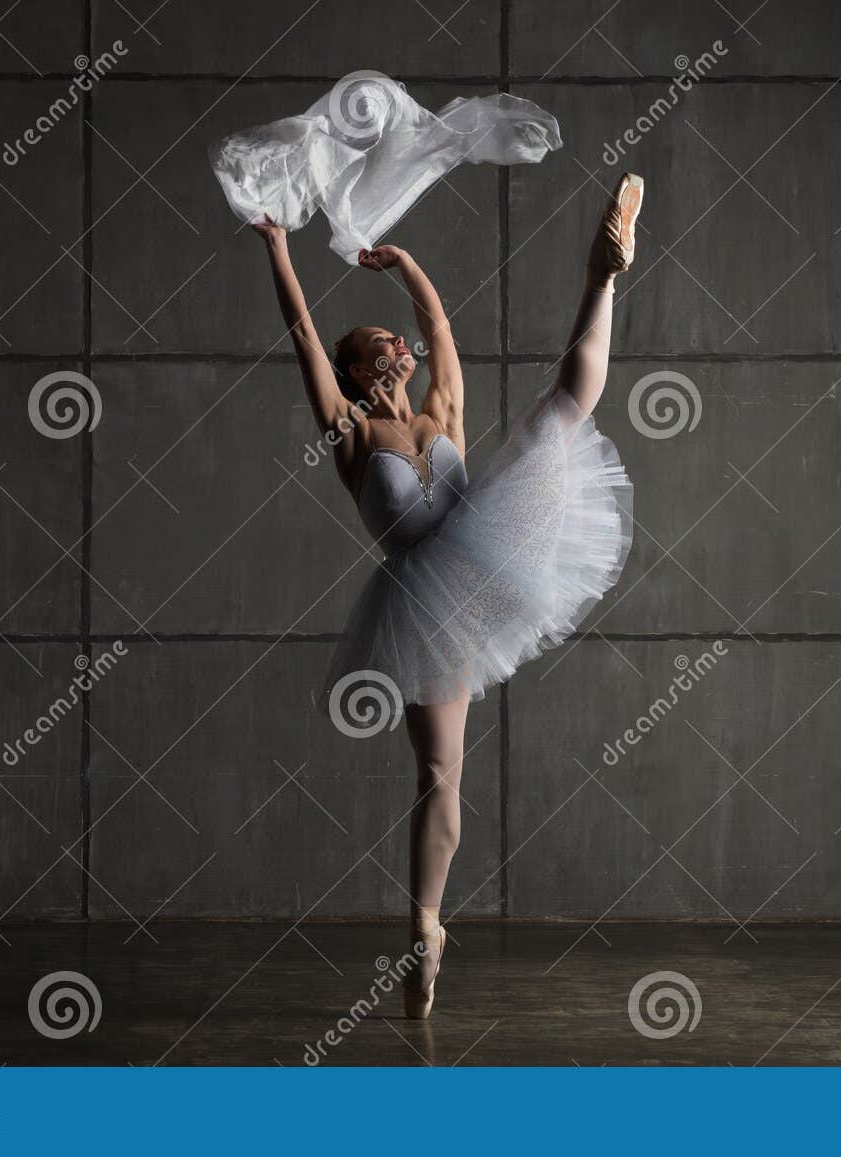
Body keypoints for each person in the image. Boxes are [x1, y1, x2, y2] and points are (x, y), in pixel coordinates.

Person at [252, 173, 644, 1018]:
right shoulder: (351, 436)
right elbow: (304, 339)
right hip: (430, 606)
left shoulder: (441, 412)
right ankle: (425, 928)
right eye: (375, 345)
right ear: (358, 372)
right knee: (441, 783)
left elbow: (439, 327)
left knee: (553, 416)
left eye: (394, 339)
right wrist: (280, 249)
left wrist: (407, 266)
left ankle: (603, 273)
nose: (396, 345)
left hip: (492, 547)